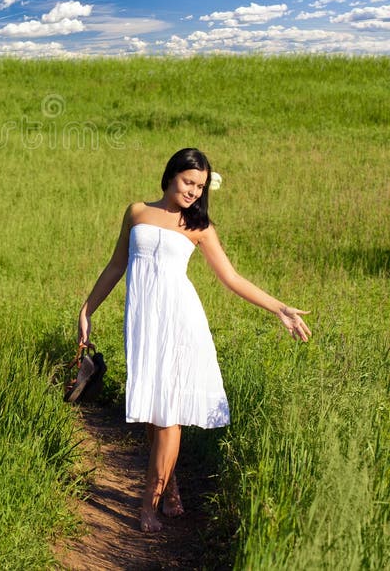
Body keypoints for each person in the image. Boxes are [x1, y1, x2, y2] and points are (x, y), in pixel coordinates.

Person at [77, 147, 311, 533]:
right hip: (143, 325)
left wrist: (279, 308)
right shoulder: (136, 212)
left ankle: (147, 507)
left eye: (200, 187)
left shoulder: (198, 226)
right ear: (171, 175)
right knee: (155, 413)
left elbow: (232, 279)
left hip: (179, 325)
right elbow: (117, 265)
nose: (193, 192)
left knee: (169, 419)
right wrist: (87, 309)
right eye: (189, 182)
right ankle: (171, 489)